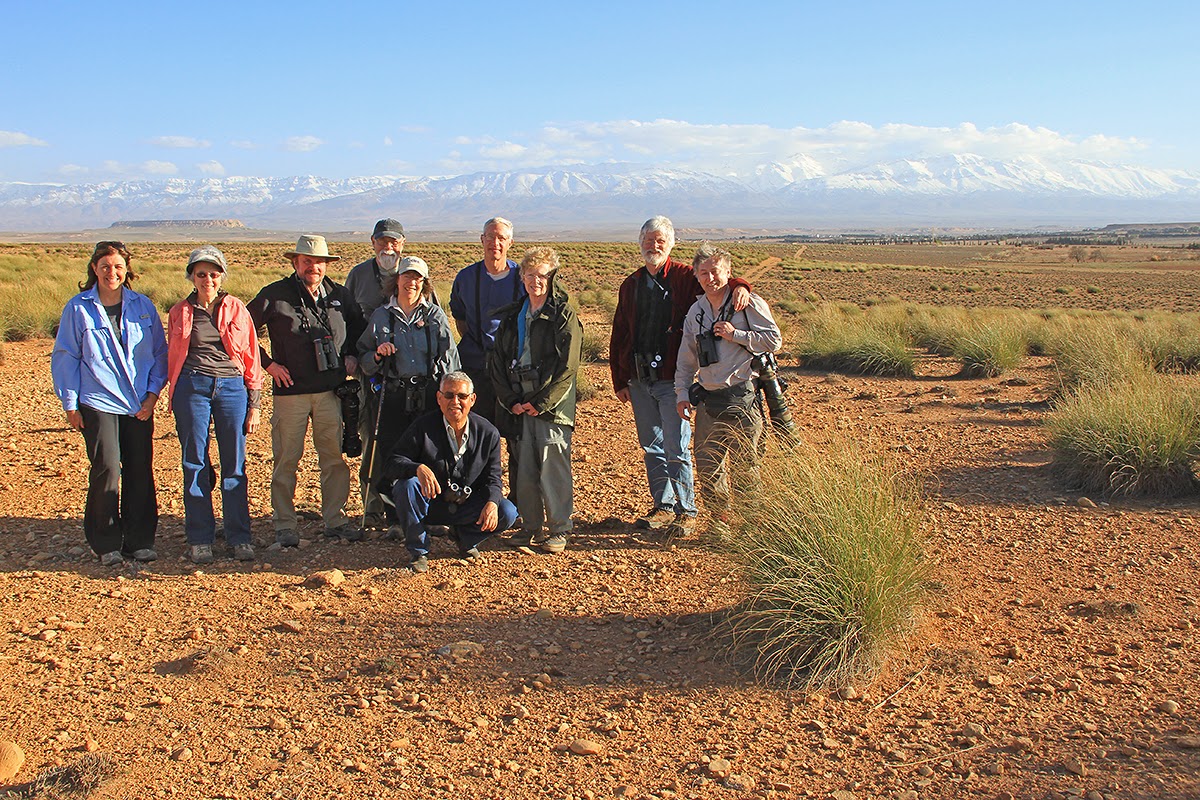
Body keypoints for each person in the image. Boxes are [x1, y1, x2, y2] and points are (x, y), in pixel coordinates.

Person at [609, 216, 751, 537]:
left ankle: (687, 510)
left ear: (671, 244)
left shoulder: (687, 277)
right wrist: (619, 378)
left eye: (660, 241)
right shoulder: (630, 284)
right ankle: (664, 505)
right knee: (652, 446)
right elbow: (620, 333)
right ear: (640, 243)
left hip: (674, 379)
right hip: (639, 378)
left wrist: (741, 286)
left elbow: (718, 278)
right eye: (649, 240)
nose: (654, 246)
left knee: (677, 446)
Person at [51, 241, 168, 566]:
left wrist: (153, 395)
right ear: (94, 269)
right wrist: (70, 403)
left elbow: (160, 354)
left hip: (138, 402)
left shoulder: (142, 306)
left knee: (139, 469)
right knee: (106, 469)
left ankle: (140, 540)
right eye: (105, 266)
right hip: (97, 399)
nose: (111, 273)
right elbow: (66, 356)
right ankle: (106, 542)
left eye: (118, 267)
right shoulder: (78, 308)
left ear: (126, 270)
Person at [247, 235, 365, 547]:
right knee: (286, 459)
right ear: (295, 263)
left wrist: (352, 354)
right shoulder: (275, 295)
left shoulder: (339, 295)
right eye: (307, 261)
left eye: (319, 262)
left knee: (333, 459)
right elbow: (239, 329)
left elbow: (359, 329)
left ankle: (336, 520)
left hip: (331, 391)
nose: (313, 266)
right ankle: (285, 525)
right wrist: (269, 364)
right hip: (291, 392)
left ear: (327, 265)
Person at [675, 243, 782, 535]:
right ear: (696, 276)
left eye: (716, 271)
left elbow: (774, 340)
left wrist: (738, 335)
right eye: (704, 273)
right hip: (709, 401)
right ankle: (720, 523)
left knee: (746, 467)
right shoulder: (695, 312)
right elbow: (686, 358)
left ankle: (750, 529)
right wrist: (682, 393)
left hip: (741, 397)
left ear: (728, 272)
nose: (710, 278)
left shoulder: (747, 303)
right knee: (709, 467)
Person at [165, 246, 263, 564]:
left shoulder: (237, 309)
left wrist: (255, 403)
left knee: (235, 464)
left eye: (214, 273)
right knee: (195, 462)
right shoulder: (180, 311)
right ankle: (200, 538)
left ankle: (239, 537)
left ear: (222, 276)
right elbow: (172, 354)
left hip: (232, 387)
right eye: (201, 273)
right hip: (192, 386)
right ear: (192, 277)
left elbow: (252, 357)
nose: (208, 279)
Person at [489, 247, 582, 554]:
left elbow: (567, 367)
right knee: (524, 466)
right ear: (522, 277)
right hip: (519, 402)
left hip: (551, 407)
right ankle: (530, 526)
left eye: (542, 275)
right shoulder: (514, 314)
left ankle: (559, 527)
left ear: (551, 277)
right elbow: (498, 361)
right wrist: (510, 399)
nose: (535, 281)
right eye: (530, 275)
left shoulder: (563, 315)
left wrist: (542, 403)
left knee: (552, 465)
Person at [357, 256, 460, 528]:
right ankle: (396, 518)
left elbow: (450, 358)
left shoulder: (434, 316)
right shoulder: (382, 316)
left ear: (424, 284)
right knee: (392, 455)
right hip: (392, 395)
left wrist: (453, 397)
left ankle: (430, 515)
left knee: (431, 455)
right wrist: (377, 356)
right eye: (407, 276)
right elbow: (363, 358)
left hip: (427, 394)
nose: (411, 283)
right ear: (397, 279)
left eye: (417, 278)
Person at [382, 372, 519, 573]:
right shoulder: (423, 426)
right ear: (439, 398)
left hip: (466, 506)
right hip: (430, 505)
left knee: (507, 512)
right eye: (448, 395)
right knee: (407, 486)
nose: (455, 402)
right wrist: (417, 468)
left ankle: (465, 538)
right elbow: (392, 463)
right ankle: (419, 551)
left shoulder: (488, 432)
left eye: (462, 396)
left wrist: (491, 502)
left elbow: (493, 476)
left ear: (472, 400)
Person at [344, 218, 406, 525]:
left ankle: (404, 505)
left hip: (408, 378)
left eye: (394, 242)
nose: (388, 247)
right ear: (372, 243)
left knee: (407, 440)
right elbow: (344, 321)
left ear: (402, 244)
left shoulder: (413, 275)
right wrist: (350, 357)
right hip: (369, 375)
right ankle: (371, 506)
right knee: (371, 437)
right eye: (382, 241)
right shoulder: (358, 276)